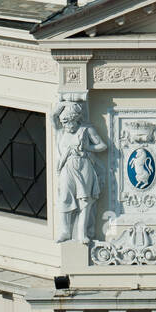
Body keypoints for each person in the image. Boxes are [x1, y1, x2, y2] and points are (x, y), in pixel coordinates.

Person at [52, 99, 107, 243]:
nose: (66, 126)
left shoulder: (86, 130)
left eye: (69, 122)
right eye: (64, 123)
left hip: (83, 166)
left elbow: (102, 146)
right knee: (64, 197)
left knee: (85, 199)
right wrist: (64, 105)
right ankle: (65, 231)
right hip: (67, 167)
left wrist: (87, 148)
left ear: (75, 119)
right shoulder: (60, 131)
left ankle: (81, 233)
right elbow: (53, 116)